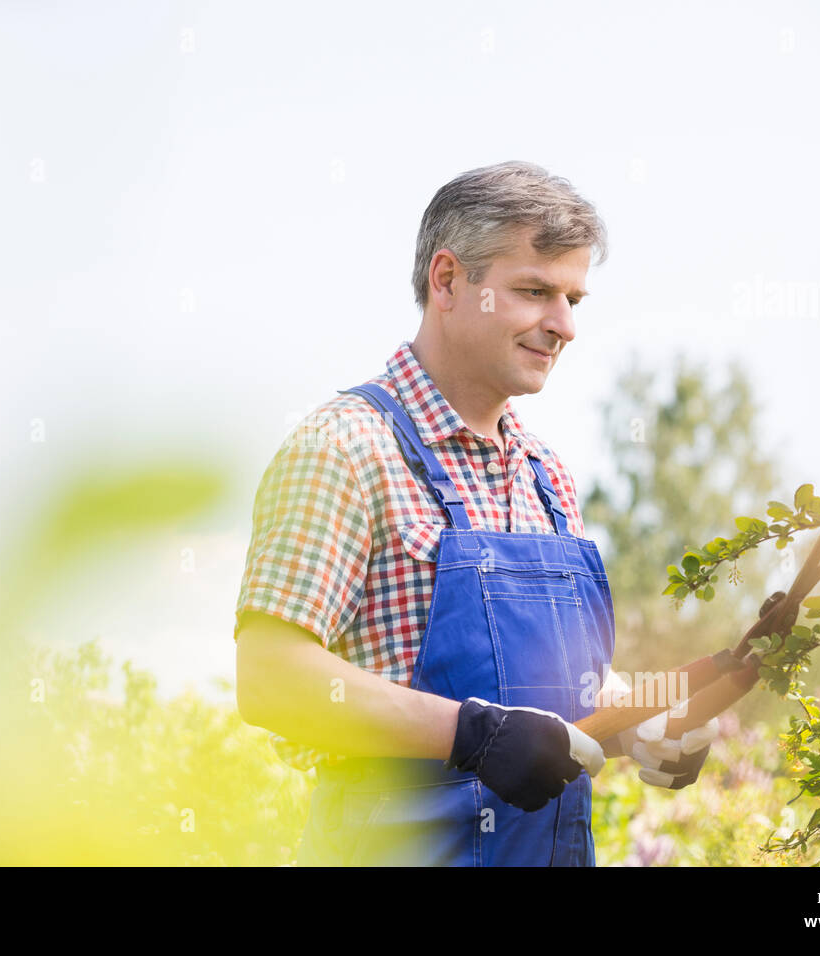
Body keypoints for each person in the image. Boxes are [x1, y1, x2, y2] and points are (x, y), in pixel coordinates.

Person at [233, 160, 716, 867]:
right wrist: (471, 735)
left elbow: (568, 689)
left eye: (573, 300)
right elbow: (270, 677)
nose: (563, 326)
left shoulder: (546, 474)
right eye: (534, 291)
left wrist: (640, 725)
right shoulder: (344, 447)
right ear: (449, 280)